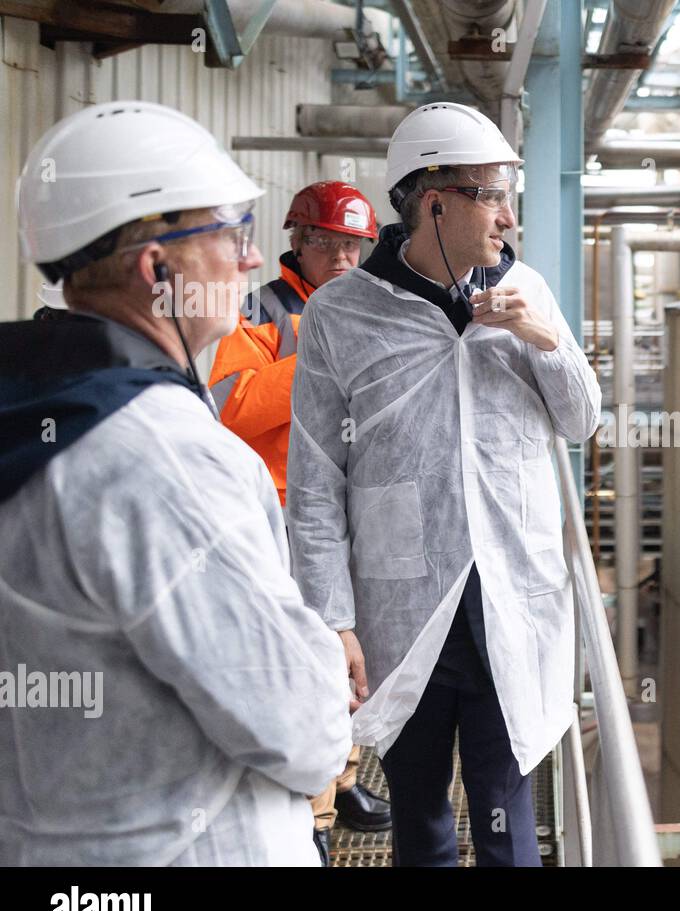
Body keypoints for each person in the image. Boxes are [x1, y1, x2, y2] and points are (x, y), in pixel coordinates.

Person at [0, 100, 353, 866]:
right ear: (157, 270)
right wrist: (322, 654)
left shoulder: (34, 408)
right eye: (230, 234)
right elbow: (306, 728)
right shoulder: (159, 457)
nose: (252, 260)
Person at [287, 102, 602, 866]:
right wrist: (332, 619)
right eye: (491, 194)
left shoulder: (526, 289)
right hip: (404, 605)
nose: (506, 215)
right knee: (421, 815)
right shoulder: (341, 313)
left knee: (502, 812)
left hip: (511, 598)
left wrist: (546, 340)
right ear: (434, 200)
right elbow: (315, 480)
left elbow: (582, 420)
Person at [207, 181, 392, 864]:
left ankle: (341, 780)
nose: (343, 258)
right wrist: (316, 353)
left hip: (353, 510)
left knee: (352, 655)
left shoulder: (369, 314)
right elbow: (233, 405)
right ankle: (311, 815)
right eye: (329, 243)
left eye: (354, 245)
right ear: (298, 242)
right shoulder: (265, 313)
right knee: (310, 659)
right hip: (284, 516)